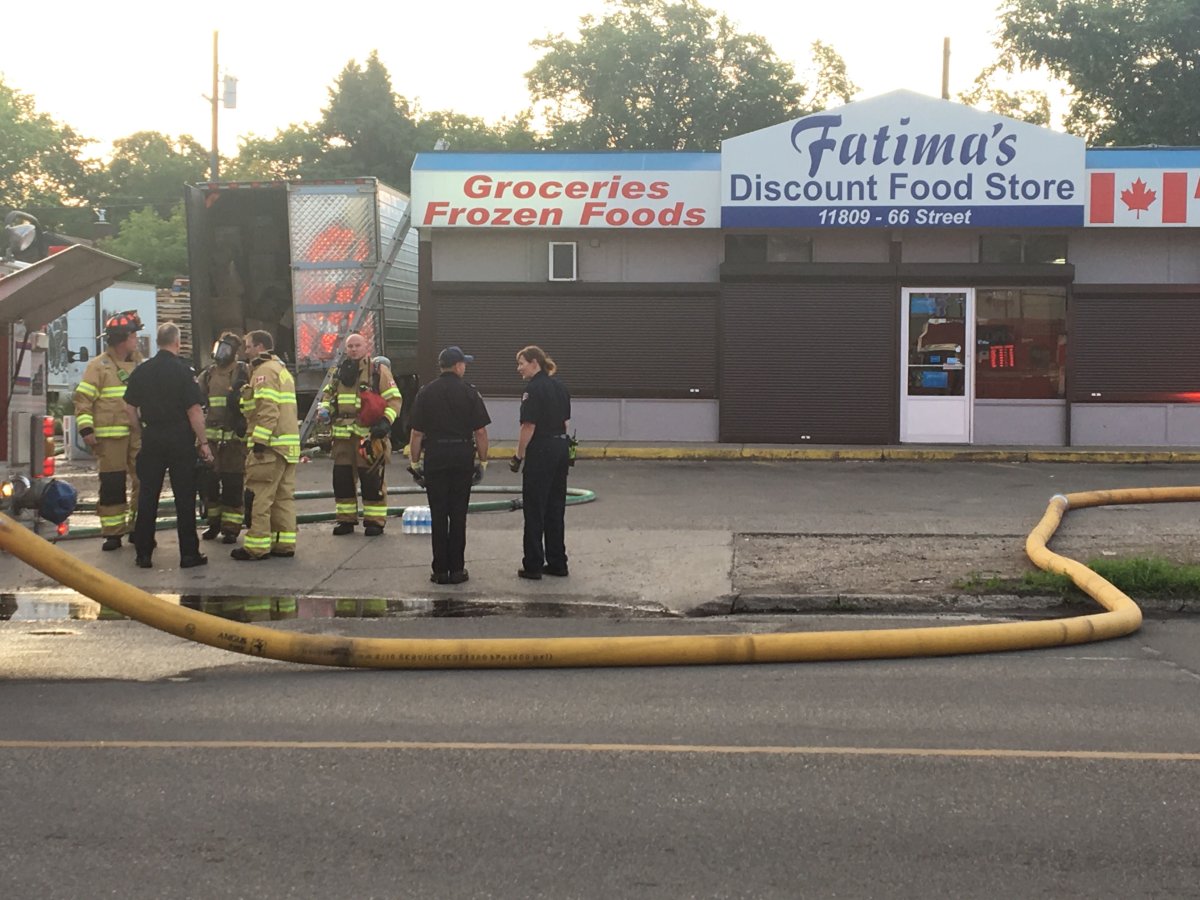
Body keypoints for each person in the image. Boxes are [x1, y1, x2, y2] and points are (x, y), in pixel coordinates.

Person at [123, 322, 214, 569]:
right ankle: (188, 554)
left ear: (157, 343)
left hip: (152, 437)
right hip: (179, 439)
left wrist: (140, 431)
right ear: (177, 342)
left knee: (147, 496)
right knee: (184, 497)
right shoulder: (184, 372)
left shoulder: (142, 371)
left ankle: (143, 553)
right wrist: (203, 442)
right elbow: (194, 410)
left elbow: (129, 408)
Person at [408, 346, 490, 585]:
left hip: (436, 456)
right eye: (464, 364)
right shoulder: (469, 393)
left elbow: (416, 433)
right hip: (462, 456)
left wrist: (415, 463)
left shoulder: (425, 393)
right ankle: (457, 569)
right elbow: (481, 432)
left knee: (439, 515)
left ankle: (439, 570)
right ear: (457, 366)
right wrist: (482, 461)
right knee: (458, 515)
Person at [316, 333, 402, 536]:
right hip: (343, 438)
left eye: (357, 345)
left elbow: (394, 399)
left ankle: (374, 521)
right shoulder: (338, 372)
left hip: (369, 436)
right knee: (342, 479)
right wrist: (325, 409)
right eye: (350, 346)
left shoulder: (377, 371)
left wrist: (385, 421)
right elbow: (328, 395)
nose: (353, 349)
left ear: (366, 348)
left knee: (371, 479)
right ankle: (346, 520)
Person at [73, 310, 144, 551]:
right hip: (110, 437)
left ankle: (139, 527)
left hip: (137, 434)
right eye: (134, 335)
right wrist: (86, 429)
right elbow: (83, 400)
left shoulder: (140, 364)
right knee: (113, 483)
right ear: (124, 337)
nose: (136, 340)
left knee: (143, 481)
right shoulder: (99, 367)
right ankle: (113, 533)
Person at [232, 330, 299, 561]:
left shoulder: (264, 372)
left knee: (259, 495)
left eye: (248, 346)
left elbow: (268, 409)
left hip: (270, 446)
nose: (245, 350)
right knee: (282, 497)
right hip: (286, 446)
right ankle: (283, 544)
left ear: (260, 347)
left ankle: (256, 547)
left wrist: (259, 441)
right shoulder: (280, 369)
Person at [510, 345, 572, 580]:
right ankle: (558, 561)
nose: (519, 369)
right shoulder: (560, 386)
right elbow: (565, 423)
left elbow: (528, 426)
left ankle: (533, 564)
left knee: (535, 508)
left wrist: (518, 456)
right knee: (555, 507)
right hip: (560, 448)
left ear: (534, 362)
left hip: (542, 449)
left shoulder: (533, 390)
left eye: (521, 363)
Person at [199, 331, 250, 544]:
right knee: (209, 484)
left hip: (234, 440)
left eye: (226, 349)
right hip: (211, 438)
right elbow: (196, 400)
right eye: (219, 348)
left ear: (235, 352)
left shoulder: (243, 371)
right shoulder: (208, 374)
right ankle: (213, 523)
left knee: (232, 483)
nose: (221, 353)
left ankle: (231, 528)